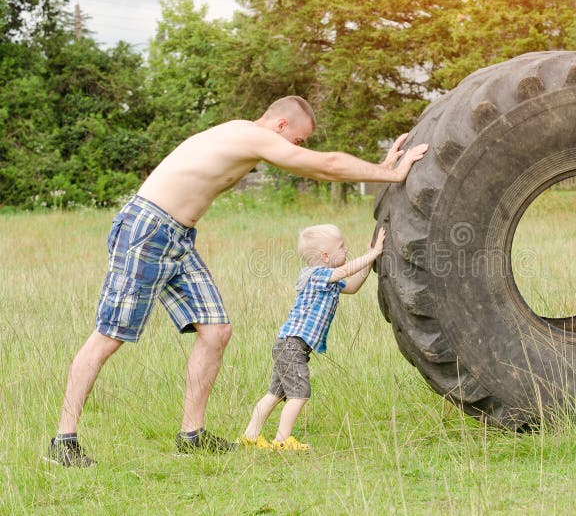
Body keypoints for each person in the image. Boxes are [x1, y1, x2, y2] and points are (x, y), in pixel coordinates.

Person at [46, 96, 428, 467]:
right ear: (280, 124)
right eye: (297, 140)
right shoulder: (251, 135)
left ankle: (191, 435)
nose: (297, 148)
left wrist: (379, 166)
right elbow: (324, 165)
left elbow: (323, 161)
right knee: (108, 337)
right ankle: (63, 440)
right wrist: (390, 172)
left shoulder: (244, 138)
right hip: (147, 230)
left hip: (178, 237)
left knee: (216, 330)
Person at [240, 224, 386, 451]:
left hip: (289, 344)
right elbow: (345, 271)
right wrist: (373, 252)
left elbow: (353, 286)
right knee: (299, 394)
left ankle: (250, 436)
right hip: (292, 345)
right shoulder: (316, 275)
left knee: (275, 394)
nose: (346, 250)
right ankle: (282, 440)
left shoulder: (330, 280)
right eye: (342, 246)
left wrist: (368, 263)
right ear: (326, 256)